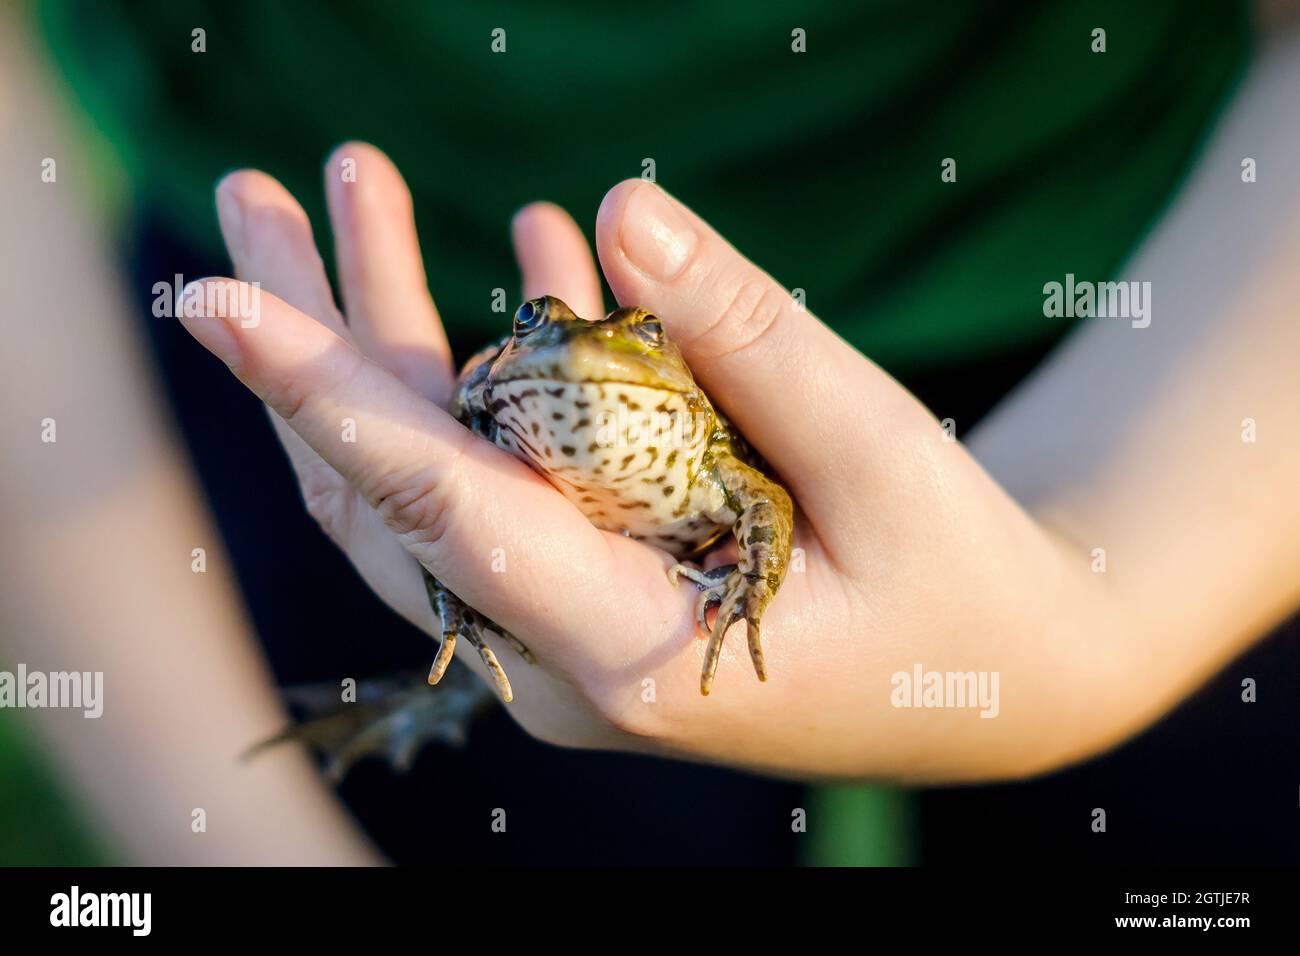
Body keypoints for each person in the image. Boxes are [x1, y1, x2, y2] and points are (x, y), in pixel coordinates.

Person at [7, 0, 1298, 865]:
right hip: (342, 325)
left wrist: (1103, 597)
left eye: (620, 338)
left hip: (1168, 325)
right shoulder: (499, 384)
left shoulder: (694, 434)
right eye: (555, 330)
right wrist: (233, 832)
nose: (580, 347)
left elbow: (758, 500)